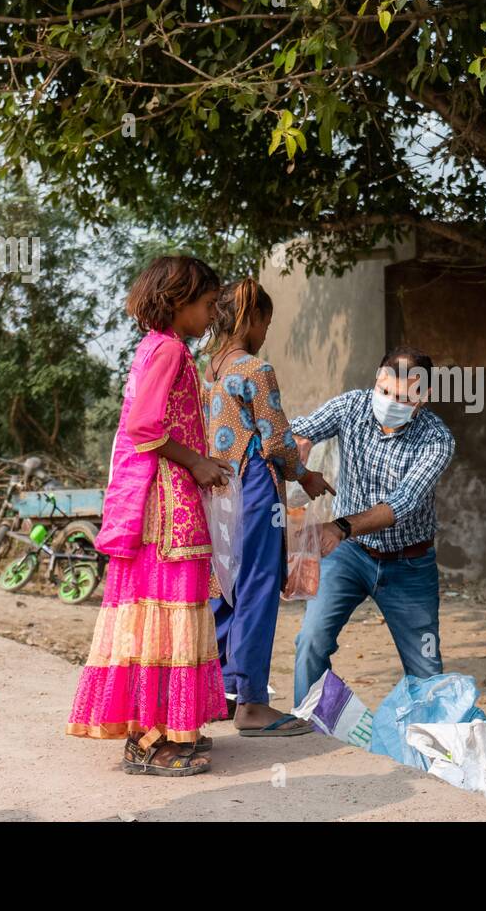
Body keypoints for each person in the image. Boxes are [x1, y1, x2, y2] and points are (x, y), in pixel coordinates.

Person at [66, 256, 232, 776]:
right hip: (167, 511)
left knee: (154, 615)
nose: (210, 316)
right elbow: (144, 427)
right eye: (207, 305)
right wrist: (199, 462)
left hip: (158, 503)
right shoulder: (172, 351)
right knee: (167, 609)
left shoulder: (153, 348)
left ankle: (162, 728)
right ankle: (155, 740)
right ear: (179, 302)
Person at [289, 347, 456, 705]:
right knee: (311, 640)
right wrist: (300, 455)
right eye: (384, 390)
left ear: (423, 398)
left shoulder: (437, 440)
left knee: (426, 669)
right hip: (349, 557)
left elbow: (403, 503)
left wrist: (339, 528)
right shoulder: (352, 406)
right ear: (375, 380)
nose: (389, 401)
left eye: (402, 397)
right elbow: (298, 431)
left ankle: (435, 747)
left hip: (408, 565)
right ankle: (308, 728)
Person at [203, 279, 331, 737]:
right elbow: (276, 440)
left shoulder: (209, 374)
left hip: (217, 488)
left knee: (223, 586)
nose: (265, 333)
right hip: (254, 486)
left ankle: (216, 692)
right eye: (266, 323)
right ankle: (253, 704)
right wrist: (305, 475)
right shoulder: (257, 370)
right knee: (258, 584)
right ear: (250, 319)